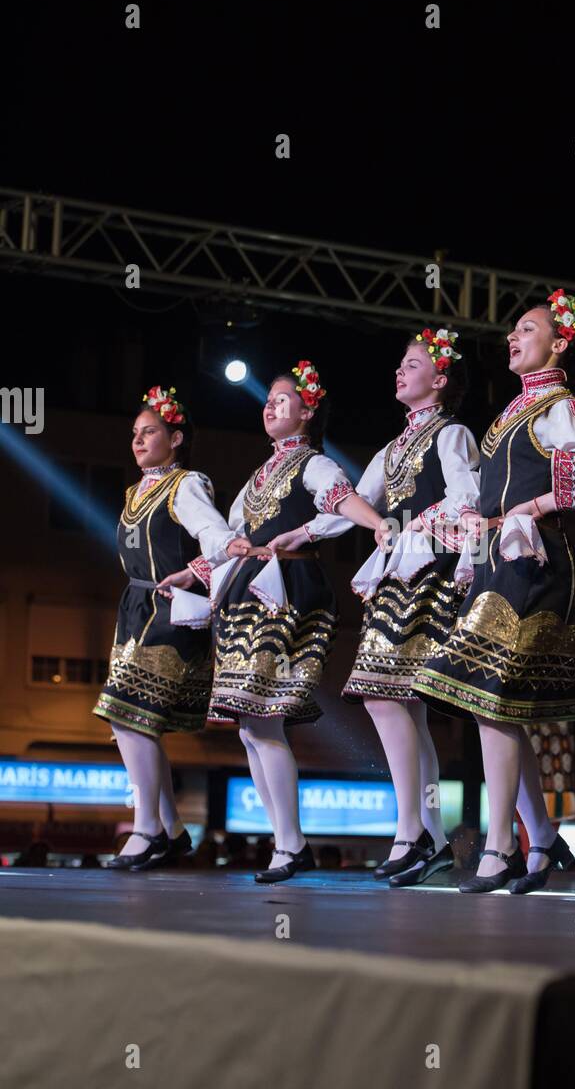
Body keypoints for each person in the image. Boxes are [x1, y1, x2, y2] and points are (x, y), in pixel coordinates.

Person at [415, 291, 575, 892]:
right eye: (512, 330)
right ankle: (543, 839)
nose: (513, 337)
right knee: (495, 701)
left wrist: (538, 503)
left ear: (560, 343)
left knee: (490, 696)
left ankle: (502, 843)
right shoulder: (511, 412)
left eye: (527, 329)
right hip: (497, 561)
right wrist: (465, 520)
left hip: (539, 562)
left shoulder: (561, 408)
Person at [187, 364, 383, 884]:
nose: (270, 406)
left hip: (289, 593)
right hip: (247, 595)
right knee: (249, 727)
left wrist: (377, 525)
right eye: (268, 400)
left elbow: (341, 501)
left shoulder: (313, 465)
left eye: (282, 399)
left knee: (263, 716)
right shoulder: (257, 478)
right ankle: (286, 843)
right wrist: (191, 574)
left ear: (308, 409)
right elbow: (229, 535)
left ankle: (291, 846)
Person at [319, 328, 480, 887]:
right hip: (397, 577)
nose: (398, 372)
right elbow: (354, 508)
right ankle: (424, 833)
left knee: (384, 697)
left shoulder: (451, 433)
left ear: (438, 380)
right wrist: (295, 532)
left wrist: (418, 523)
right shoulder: (393, 449)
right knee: (398, 705)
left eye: (411, 365)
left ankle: (413, 832)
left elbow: (467, 498)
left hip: (430, 574)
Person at [94, 386, 239, 871]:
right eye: (134, 433)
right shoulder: (135, 491)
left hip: (170, 608)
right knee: (134, 725)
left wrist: (203, 568)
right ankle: (171, 829)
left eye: (149, 431)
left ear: (175, 437)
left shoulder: (187, 484)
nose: (137, 441)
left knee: (127, 717)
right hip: (134, 607)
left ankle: (148, 828)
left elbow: (214, 534)